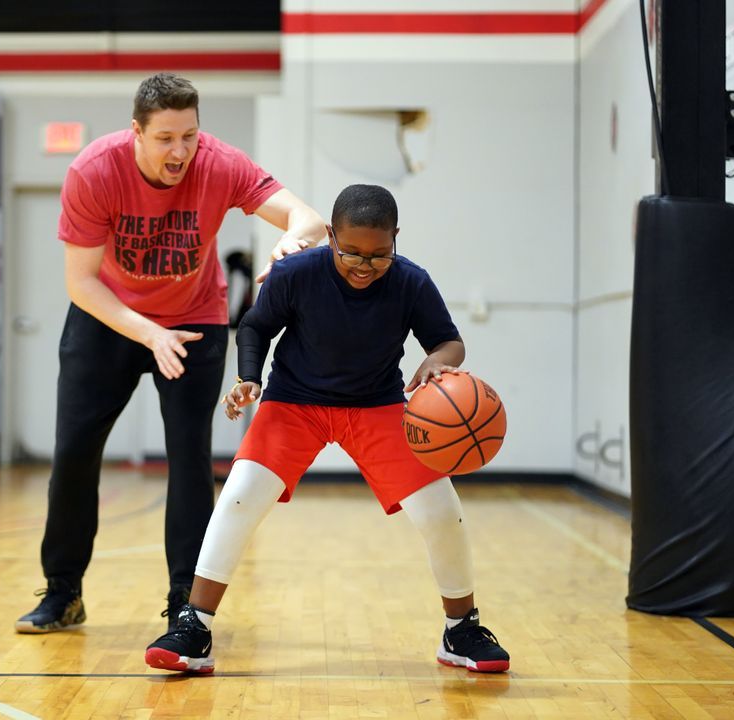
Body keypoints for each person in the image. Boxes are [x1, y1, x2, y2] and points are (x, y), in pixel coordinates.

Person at [143, 184, 511, 673]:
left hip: (377, 403)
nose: (364, 264)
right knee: (240, 495)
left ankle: (461, 629)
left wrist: (435, 364)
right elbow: (255, 326)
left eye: (379, 255)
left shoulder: (410, 282)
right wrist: (249, 378)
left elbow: (449, 343)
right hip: (295, 400)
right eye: (350, 251)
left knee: (441, 509)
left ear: (395, 239)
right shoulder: (296, 272)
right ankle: (195, 624)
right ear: (331, 235)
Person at [15, 73, 327, 633]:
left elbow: (309, 219)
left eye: (189, 136)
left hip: (194, 321)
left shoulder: (220, 163)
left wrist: (293, 242)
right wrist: (149, 333)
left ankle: (186, 602)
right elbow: (81, 283)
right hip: (107, 317)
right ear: (136, 131)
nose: (180, 151)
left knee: (189, 460)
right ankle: (63, 592)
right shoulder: (94, 170)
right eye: (164, 138)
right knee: (74, 456)